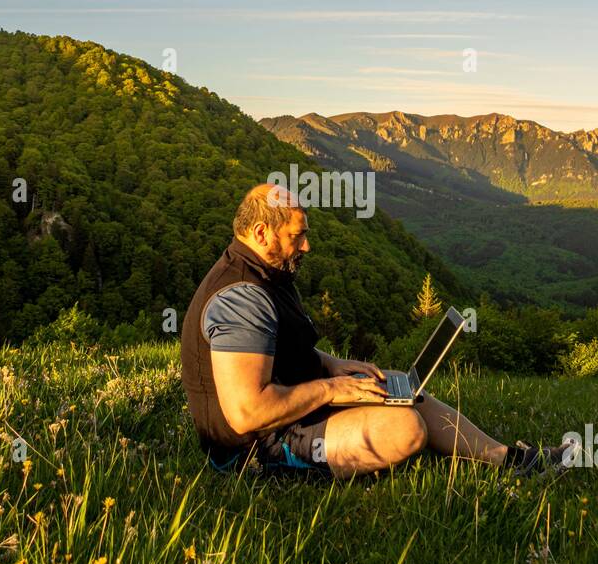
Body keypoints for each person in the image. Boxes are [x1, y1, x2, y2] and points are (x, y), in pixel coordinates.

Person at [180, 182, 574, 480]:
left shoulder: (267, 272)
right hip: (252, 450)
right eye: (296, 235)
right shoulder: (242, 298)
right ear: (262, 232)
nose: (306, 246)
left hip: (287, 412)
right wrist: (332, 390)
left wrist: (333, 365)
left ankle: (510, 460)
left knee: (401, 387)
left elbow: (281, 351)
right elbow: (248, 413)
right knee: (405, 429)